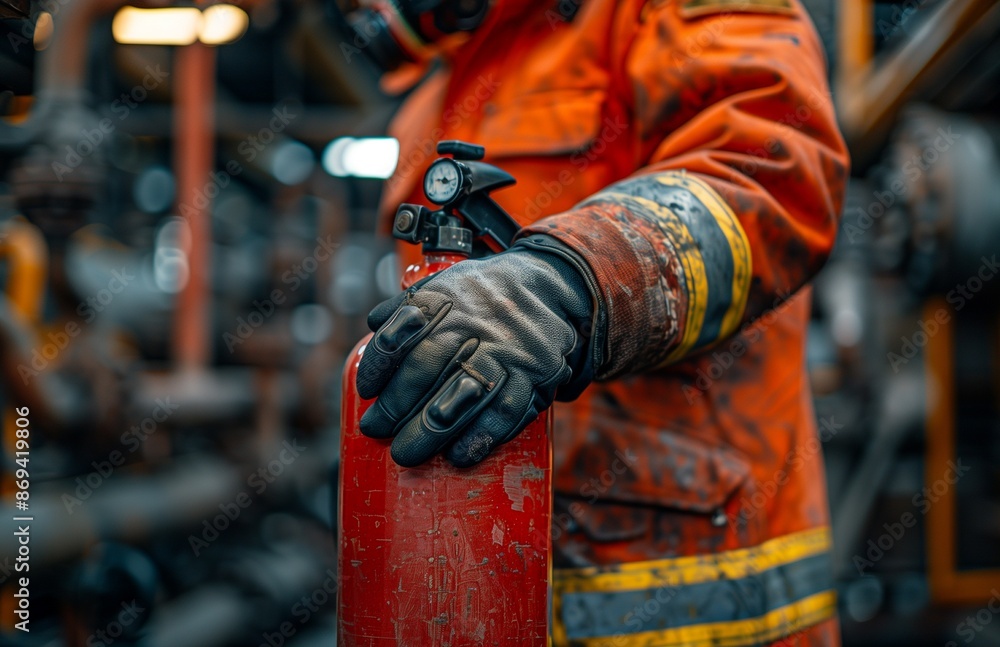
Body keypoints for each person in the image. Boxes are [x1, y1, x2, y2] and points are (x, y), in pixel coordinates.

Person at [349, 0, 849, 643]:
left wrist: (571, 282)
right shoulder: (440, 87)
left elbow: (771, 171)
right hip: (489, 586)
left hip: (694, 594)